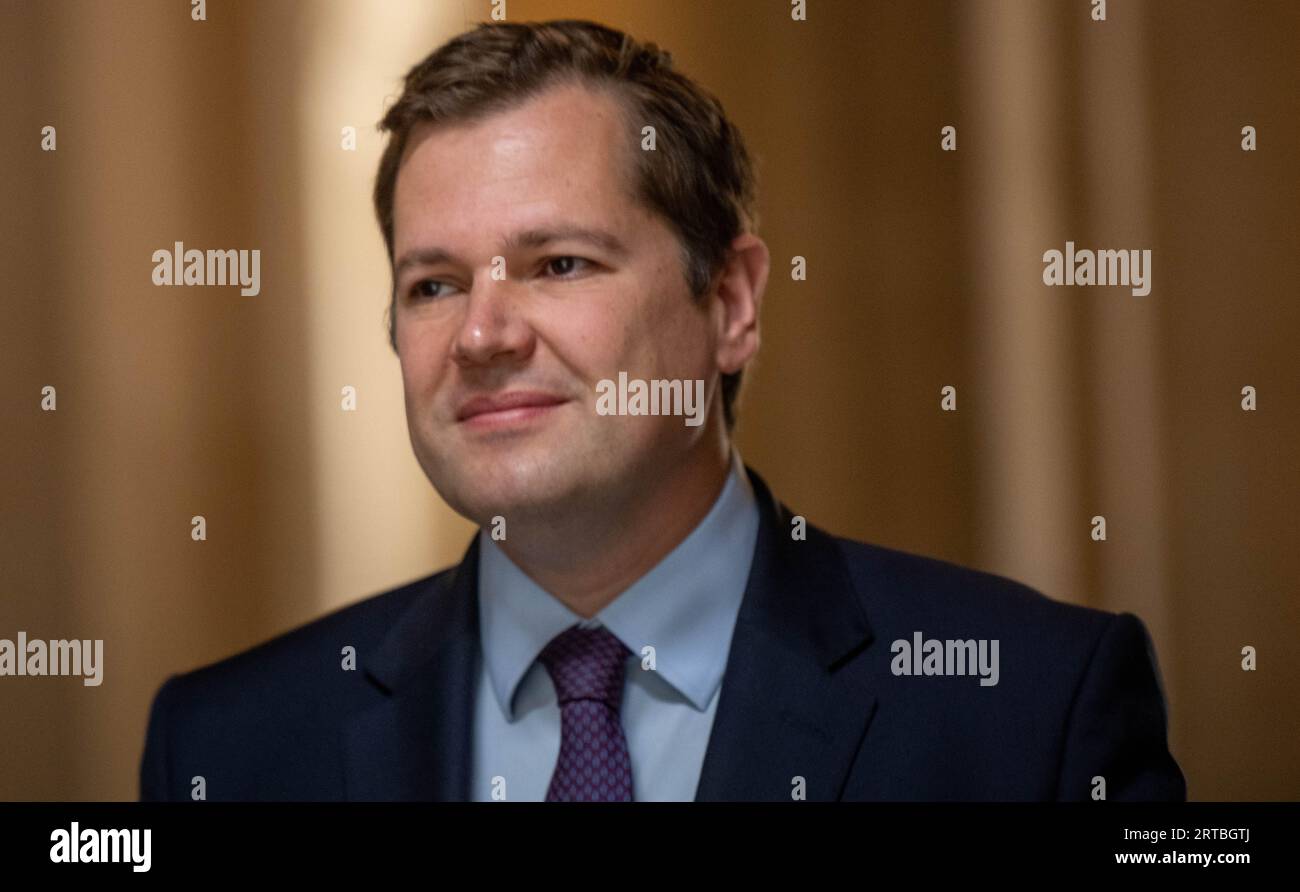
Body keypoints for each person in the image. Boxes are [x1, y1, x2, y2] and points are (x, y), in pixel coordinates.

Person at [139, 19, 1185, 802]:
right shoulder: (231, 748)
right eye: (434, 284)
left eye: (558, 263)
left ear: (729, 304)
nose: (481, 334)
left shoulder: (1029, 711)